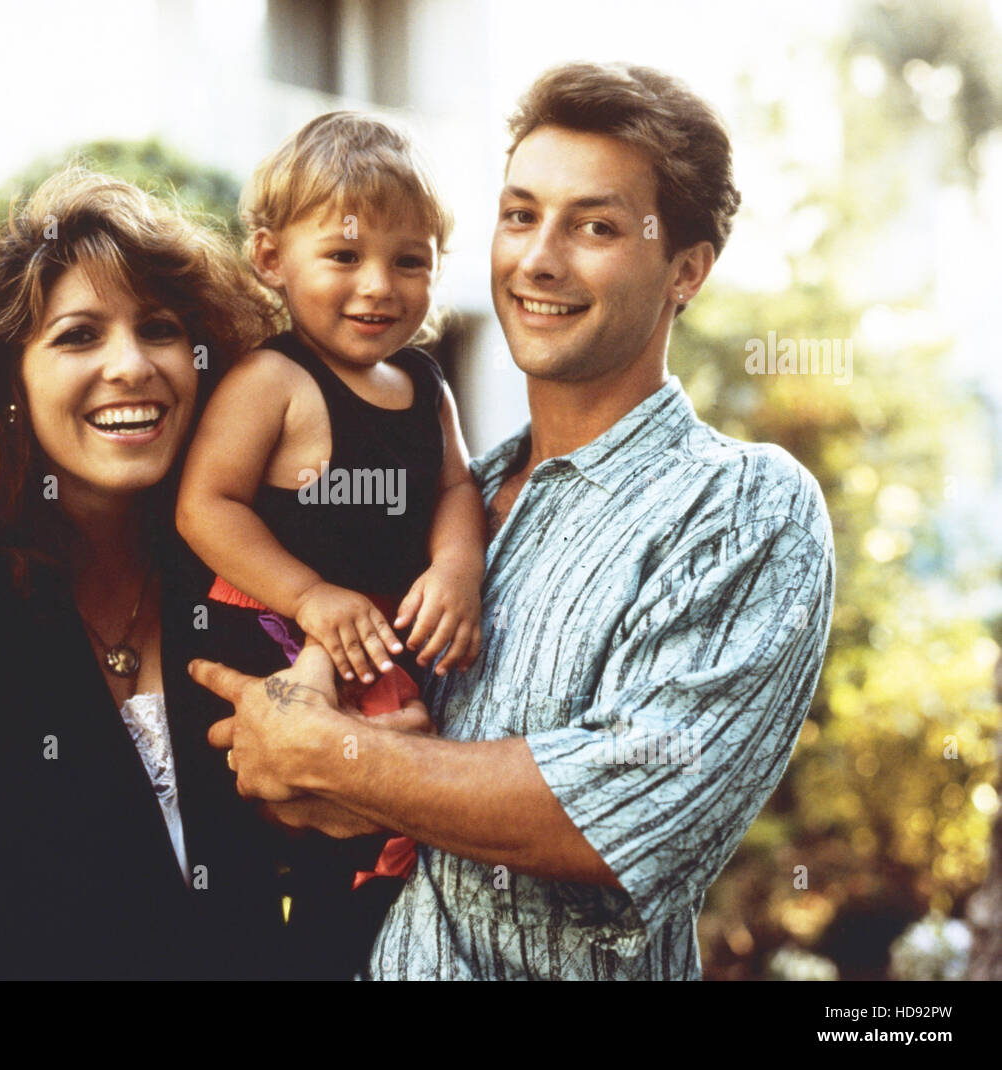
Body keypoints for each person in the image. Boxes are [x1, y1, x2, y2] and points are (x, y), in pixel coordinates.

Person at [189, 63, 837, 980]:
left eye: (596, 226)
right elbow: (293, 765)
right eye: (521, 214)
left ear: (685, 270)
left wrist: (331, 755)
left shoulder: (740, 508)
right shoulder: (446, 492)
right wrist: (290, 773)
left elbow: (621, 807)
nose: (538, 258)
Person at [0, 167, 288, 979]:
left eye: (162, 329)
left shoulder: (246, 579)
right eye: (78, 336)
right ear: (10, 380)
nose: (132, 366)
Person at [175, 112, 486, 978]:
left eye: (409, 260)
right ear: (272, 259)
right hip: (281, 631)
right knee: (319, 852)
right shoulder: (273, 380)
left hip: (379, 639)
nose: (378, 285)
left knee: (393, 849)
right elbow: (206, 507)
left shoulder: (426, 384)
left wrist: (458, 564)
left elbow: (457, 488)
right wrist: (309, 593)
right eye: (344, 256)